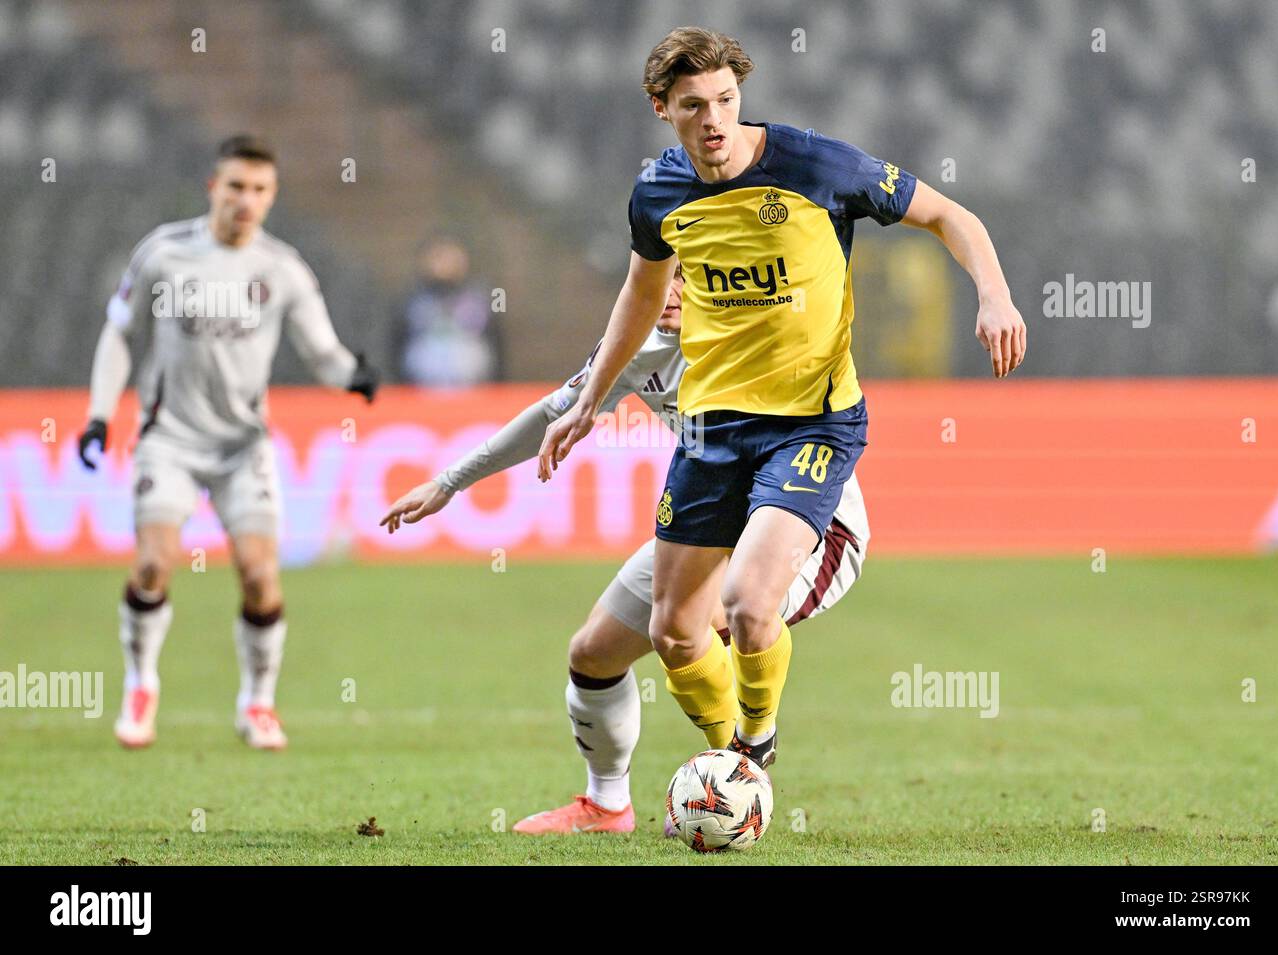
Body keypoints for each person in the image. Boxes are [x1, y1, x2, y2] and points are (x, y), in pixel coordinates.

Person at [537, 27, 1026, 772]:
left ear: (741, 95)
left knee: (748, 602)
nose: (714, 120)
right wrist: (588, 402)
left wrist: (993, 295)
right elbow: (639, 298)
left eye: (727, 100)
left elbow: (950, 216)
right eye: (693, 104)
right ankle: (726, 764)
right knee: (673, 632)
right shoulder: (659, 194)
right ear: (661, 107)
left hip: (812, 424)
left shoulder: (814, 164)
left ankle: (755, 754)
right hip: (711, 430)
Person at [380, 265, 869, 834]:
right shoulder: (636, 346)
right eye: (660, 277)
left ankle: (741, 769)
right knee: (593, 654)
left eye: (688, 277)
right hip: (711, 525)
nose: (670, 292)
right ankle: (607, 805)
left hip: (812, 524)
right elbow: (552, 411)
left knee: (701, 620)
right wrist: (448, 483)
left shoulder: (759, 333)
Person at [77, 135, 379, 751]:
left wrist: (354, 375)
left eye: (260, 190)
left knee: (260, 575)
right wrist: (100, 415)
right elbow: (118, 333)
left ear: (272, 197)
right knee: (154, 563)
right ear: (214, 188)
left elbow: (321, 353)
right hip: (170, 440)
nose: (247, 200)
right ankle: (141, 685)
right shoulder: (163, 255)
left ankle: (257, 704)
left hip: (244, 444)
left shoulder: (283, 269)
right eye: (236, 186)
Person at [398, 236, 498, 386]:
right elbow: (398, 343)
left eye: (451, 258)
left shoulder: (484, 297)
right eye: (439, 258)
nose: (445, 265)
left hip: (473, 387)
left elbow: (495, 341)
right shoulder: (411, 301)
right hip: (421, 390)